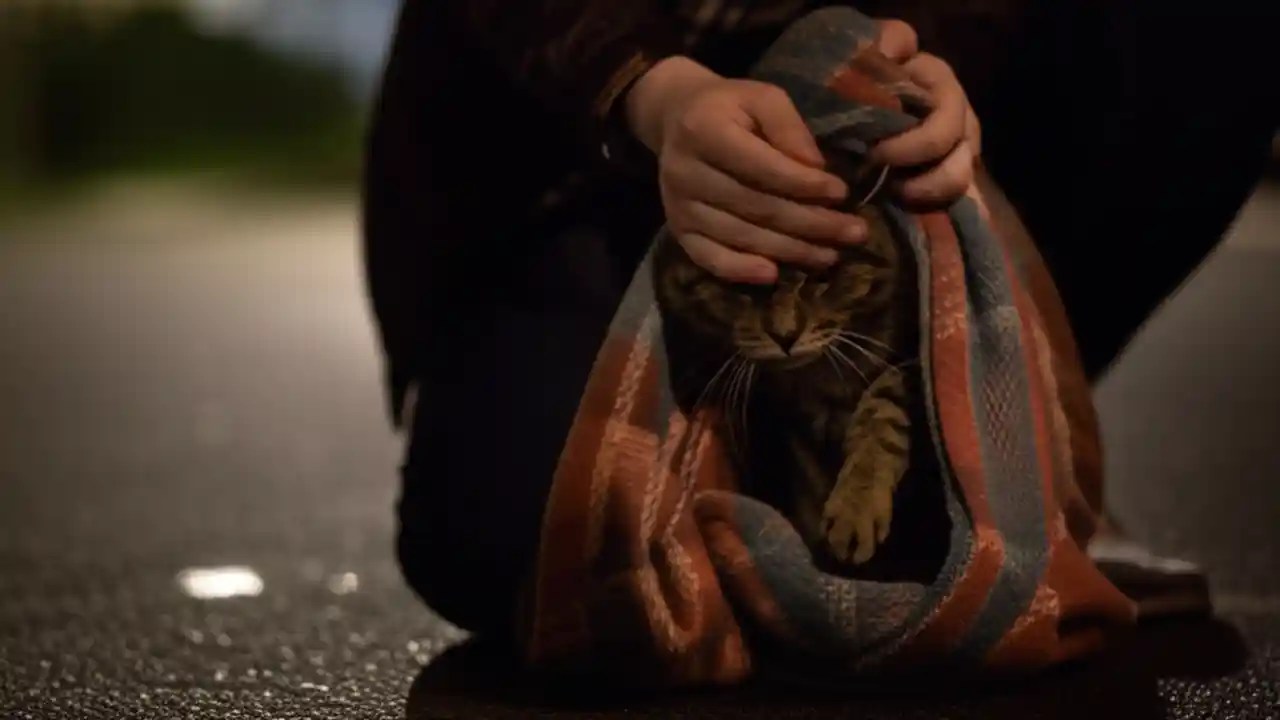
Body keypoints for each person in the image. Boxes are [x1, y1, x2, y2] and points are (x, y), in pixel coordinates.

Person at [362, 1, 1278, 643]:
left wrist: (935, 63)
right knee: (515, 551)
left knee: (1212, 26)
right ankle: (824, 490)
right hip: (576, 155)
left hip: (866, 138)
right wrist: (649, 91)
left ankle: (1014, 447)